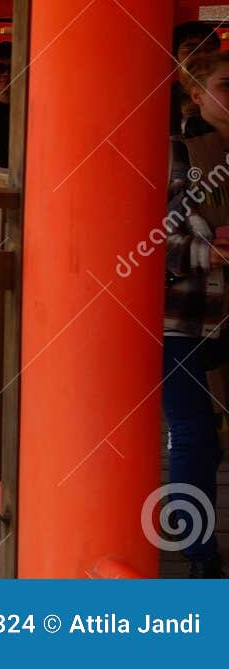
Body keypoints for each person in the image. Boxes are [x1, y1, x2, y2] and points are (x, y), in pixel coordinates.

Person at [163, 47, 229, 577]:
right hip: (185, 316)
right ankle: (200, 555)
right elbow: (147, 241)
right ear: (196, 93)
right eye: (226, 86)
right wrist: (209, 251)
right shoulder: (176, 153)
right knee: (193, 433)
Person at [173, 21, 221, 138]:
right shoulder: (165, 98)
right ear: (174, 57)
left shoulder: (224, 93)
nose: (202, 56)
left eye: (210, 49)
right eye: (191, 50)